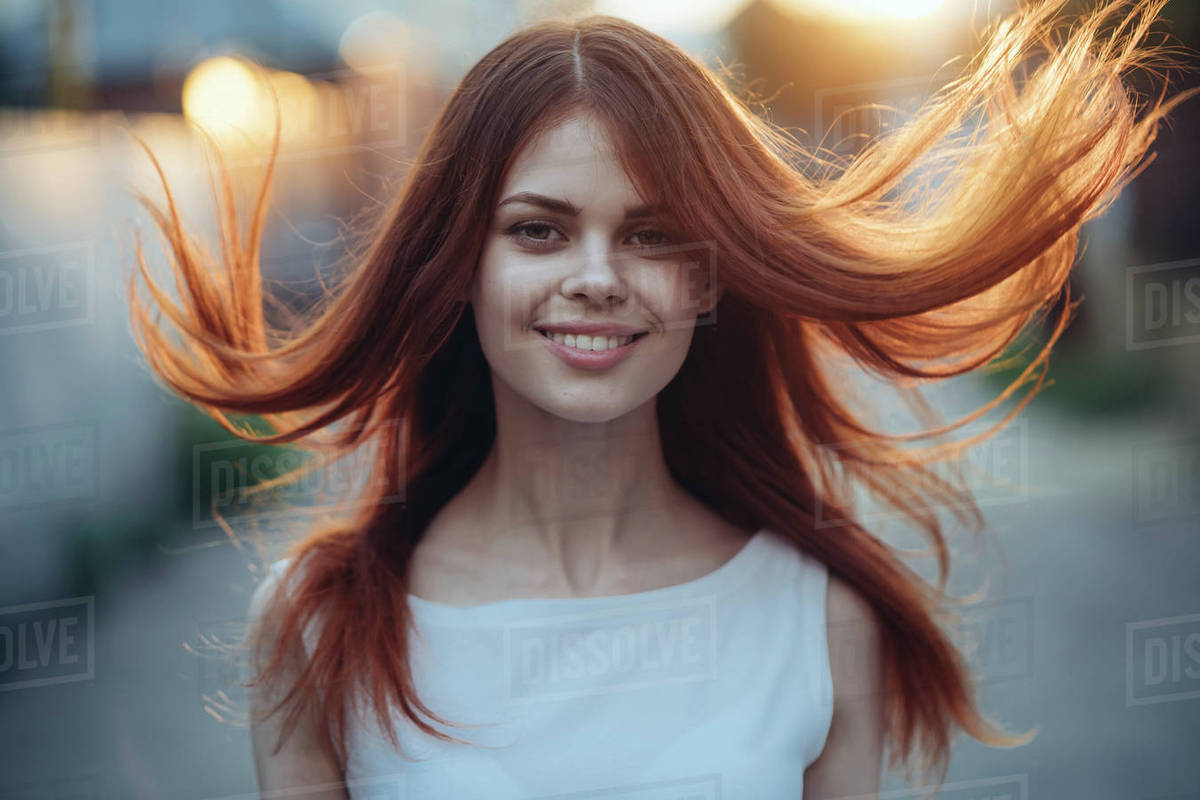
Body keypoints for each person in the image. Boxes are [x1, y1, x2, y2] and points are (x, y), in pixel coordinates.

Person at [126, 1, 1193, 797]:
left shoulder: (821, 621)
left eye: (653, 233)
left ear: (706, 276)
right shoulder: (318, 622)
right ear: (462, 264)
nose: (598, 275)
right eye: (538, 229)